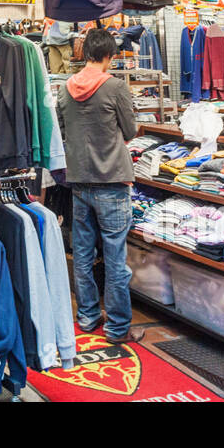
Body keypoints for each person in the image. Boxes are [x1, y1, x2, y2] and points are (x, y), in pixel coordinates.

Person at [57, 27, 142, 344]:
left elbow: (63, 130)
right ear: (109, 55)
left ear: (84, 54)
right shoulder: (115, 87)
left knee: (82, 254)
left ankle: (88, 317)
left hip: (79, 180)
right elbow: (130, 130)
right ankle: (118, 327)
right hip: (112, 180)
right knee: (115, 258)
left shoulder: (65, 88)